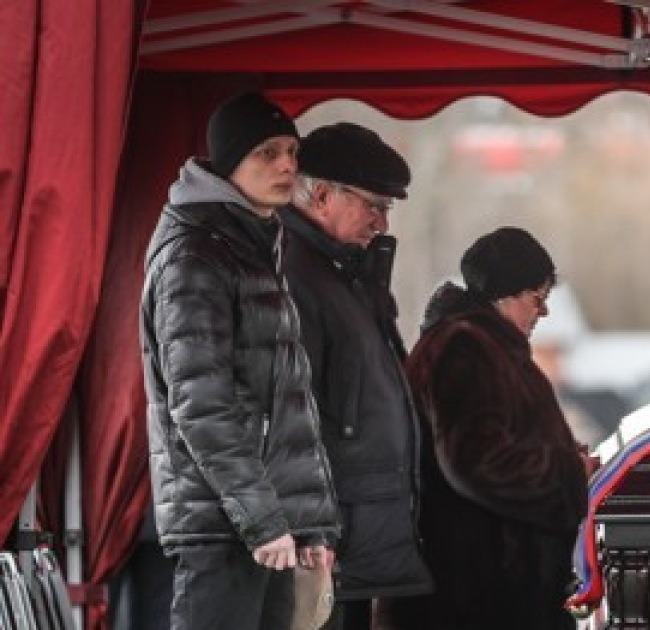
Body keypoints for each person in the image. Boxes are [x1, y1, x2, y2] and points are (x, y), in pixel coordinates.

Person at [140, 91, 339, 630]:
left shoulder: (251, 244)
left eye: (292, 151)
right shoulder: (195, 254)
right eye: (267, 153)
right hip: (225, 528)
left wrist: (309, 526)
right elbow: (202, 406)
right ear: (230, 164)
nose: (286, 166)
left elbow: (285, 403)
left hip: (262, 527)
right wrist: (265, 521)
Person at [376, 227, 597, 630]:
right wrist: (566, 471)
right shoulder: (467, 349)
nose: (543, 312)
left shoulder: (475, 344)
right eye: (537, 297)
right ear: (506, 292)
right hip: (476, 594)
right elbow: (477, 461)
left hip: (480, 590)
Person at [279, 122, 433, 629]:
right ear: (322, 195)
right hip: (329, 542)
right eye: (375, 205)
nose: (383, 224)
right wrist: (314, 536)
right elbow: (295, 420)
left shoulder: (344, 276)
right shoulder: (295, 277)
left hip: (350, 533)